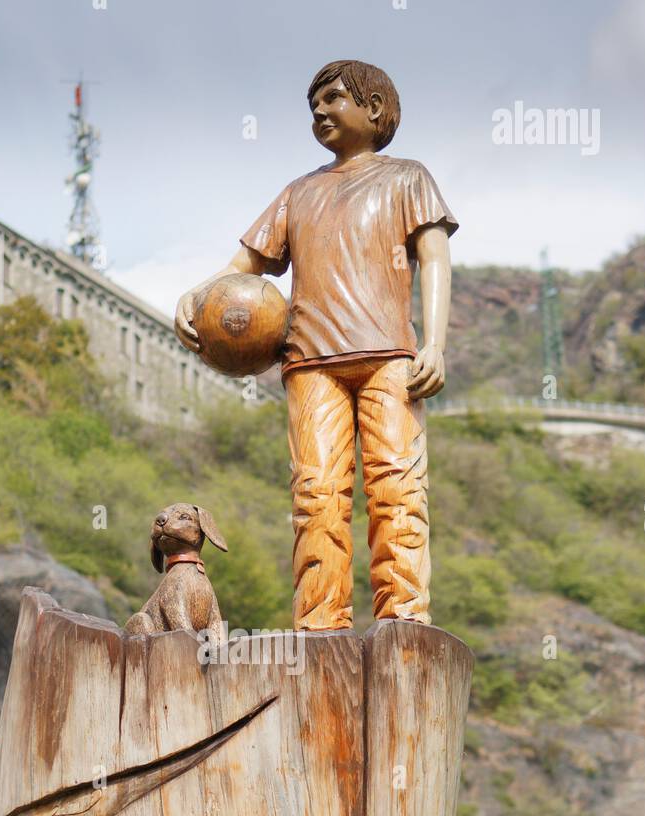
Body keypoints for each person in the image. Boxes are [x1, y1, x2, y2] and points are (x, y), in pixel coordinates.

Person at [176, 60, 457, 631]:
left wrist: (436, 342)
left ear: (374, 108)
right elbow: (244, 269)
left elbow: (434, 259)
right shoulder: (298, 193)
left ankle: (404, 619)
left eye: (333, 99)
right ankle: (320, 624)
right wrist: (196, 297)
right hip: (309, 364)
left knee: (397, 488)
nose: (321, 112)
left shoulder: (408, 177)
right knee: (316, 494)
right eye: (313, 107)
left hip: (389, 357)